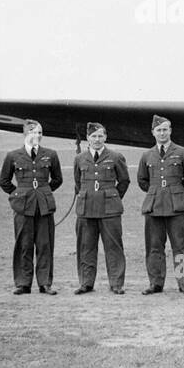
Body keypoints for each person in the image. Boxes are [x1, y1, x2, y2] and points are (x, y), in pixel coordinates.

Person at [0, 119, 63, 294]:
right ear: (25, 134)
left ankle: (45, 283)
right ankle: (23, 283)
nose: (37, 136)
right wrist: (18, 194)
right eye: (33, 132)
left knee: (45, 244)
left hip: (44, 206)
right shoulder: (13, 156)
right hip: (23, 207)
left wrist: (44, 192)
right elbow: (4, 181)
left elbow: (57, 179)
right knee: (24, 244)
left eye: (40, 133)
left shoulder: (51, 154)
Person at [138, 114, 184, 294]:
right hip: (154, 207)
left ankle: (183, 283)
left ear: (170, 131)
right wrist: (157, 192)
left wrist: (175, 192)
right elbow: (142, 180)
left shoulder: (182, 152)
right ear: (153, 133)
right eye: (159, 130)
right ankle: (156, 282)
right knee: (154, 246)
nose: (162, 133)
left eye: (165, 130)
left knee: (180, 246)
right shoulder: (147, 155)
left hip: (177, 207)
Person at [72, 122, 130, 294]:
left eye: (100, 136)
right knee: (85, 246)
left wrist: (112, 196)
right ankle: (86, 283)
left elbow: (124, 181)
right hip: (86, 209)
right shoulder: (79, 158)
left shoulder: (115, 156)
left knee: (113, 247)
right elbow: (78, 183)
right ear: (87, 138)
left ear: (105, 137)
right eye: (93, 136)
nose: (97, 139)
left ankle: (116, 283)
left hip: (109, 210)